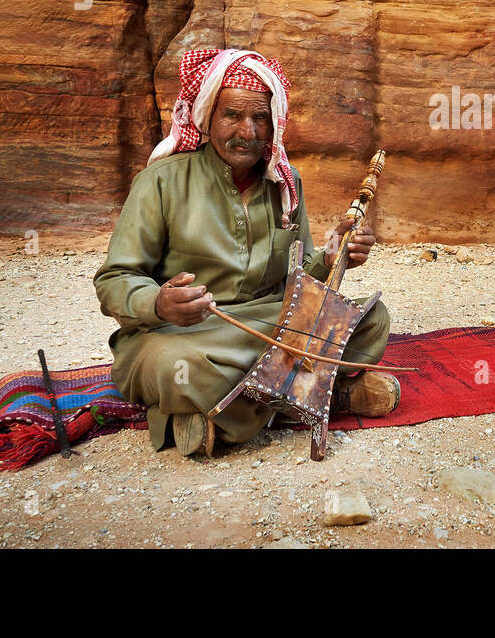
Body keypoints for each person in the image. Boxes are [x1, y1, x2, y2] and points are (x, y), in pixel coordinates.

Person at [93, 48, 399, 456]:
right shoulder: (161, 182)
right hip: (187, 336)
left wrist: (330, 257)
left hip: (267, 323)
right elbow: (115, 279)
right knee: (172, 366)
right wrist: (161, 303)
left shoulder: (284, 186)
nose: (248, 131)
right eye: (232, 115)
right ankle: (319, 397)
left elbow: (297, 285)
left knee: (370, 319)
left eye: (260, 118)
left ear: (274, 124)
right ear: (208, 118)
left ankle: (227, 414)